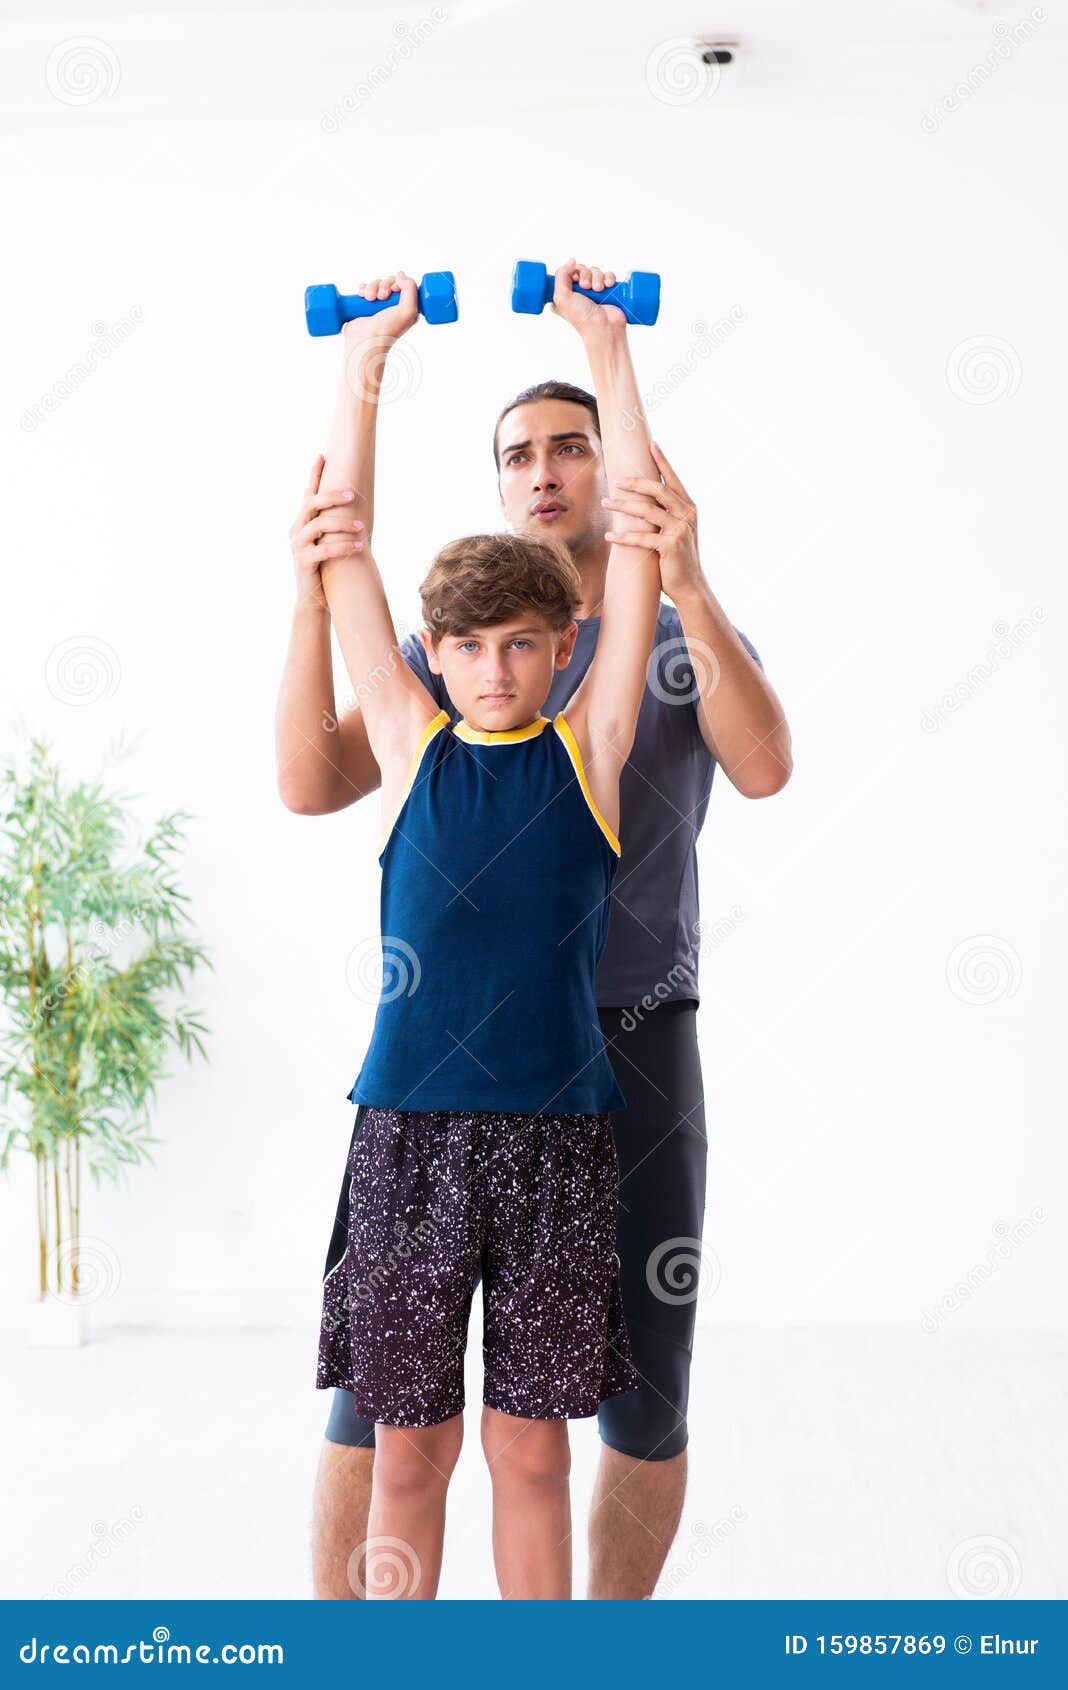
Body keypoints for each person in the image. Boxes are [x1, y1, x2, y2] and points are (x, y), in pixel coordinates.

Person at [276, 261, 792, 1599]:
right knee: (395, 1436)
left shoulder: (604, 718)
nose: (495, 664)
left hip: (585, 1108)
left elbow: (649, 575)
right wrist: (364, 362)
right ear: (436, 653)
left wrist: (609, 351)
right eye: (470, 646)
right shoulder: (420, 705)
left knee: (548, 1440)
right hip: (416, 1123)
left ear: (565, 649)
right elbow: (341, 554)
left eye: (525, 644)